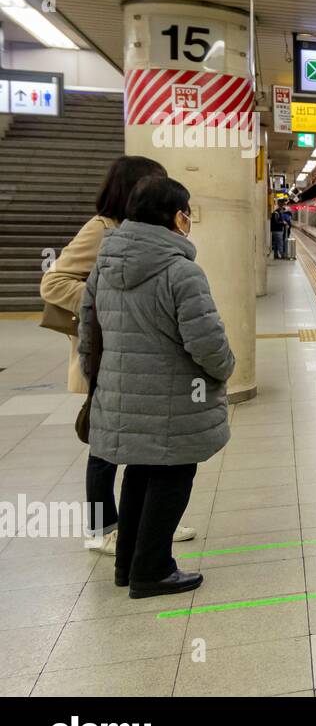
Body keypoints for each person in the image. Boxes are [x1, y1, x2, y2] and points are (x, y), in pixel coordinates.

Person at [79, 176, 236, 598]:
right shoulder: (181, 272)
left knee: (138, 473)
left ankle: (128, 565)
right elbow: (207, 344)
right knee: (173, 475)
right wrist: (225, 369)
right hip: (174, 399)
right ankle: (153, 570)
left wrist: (99, 382)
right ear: (173, 216)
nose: (188, 219)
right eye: (185, 211)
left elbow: (89, 336)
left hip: (120, 395)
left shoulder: (103, 268)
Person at [39, 155, 196, 556]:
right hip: (108, 352)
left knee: (138, 443)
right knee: (104, 447)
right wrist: (105, 305)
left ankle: (143, 526)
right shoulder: (101, 229)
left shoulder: (135, 229)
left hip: (132, 355)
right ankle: (101, 528)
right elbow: (53, 282)